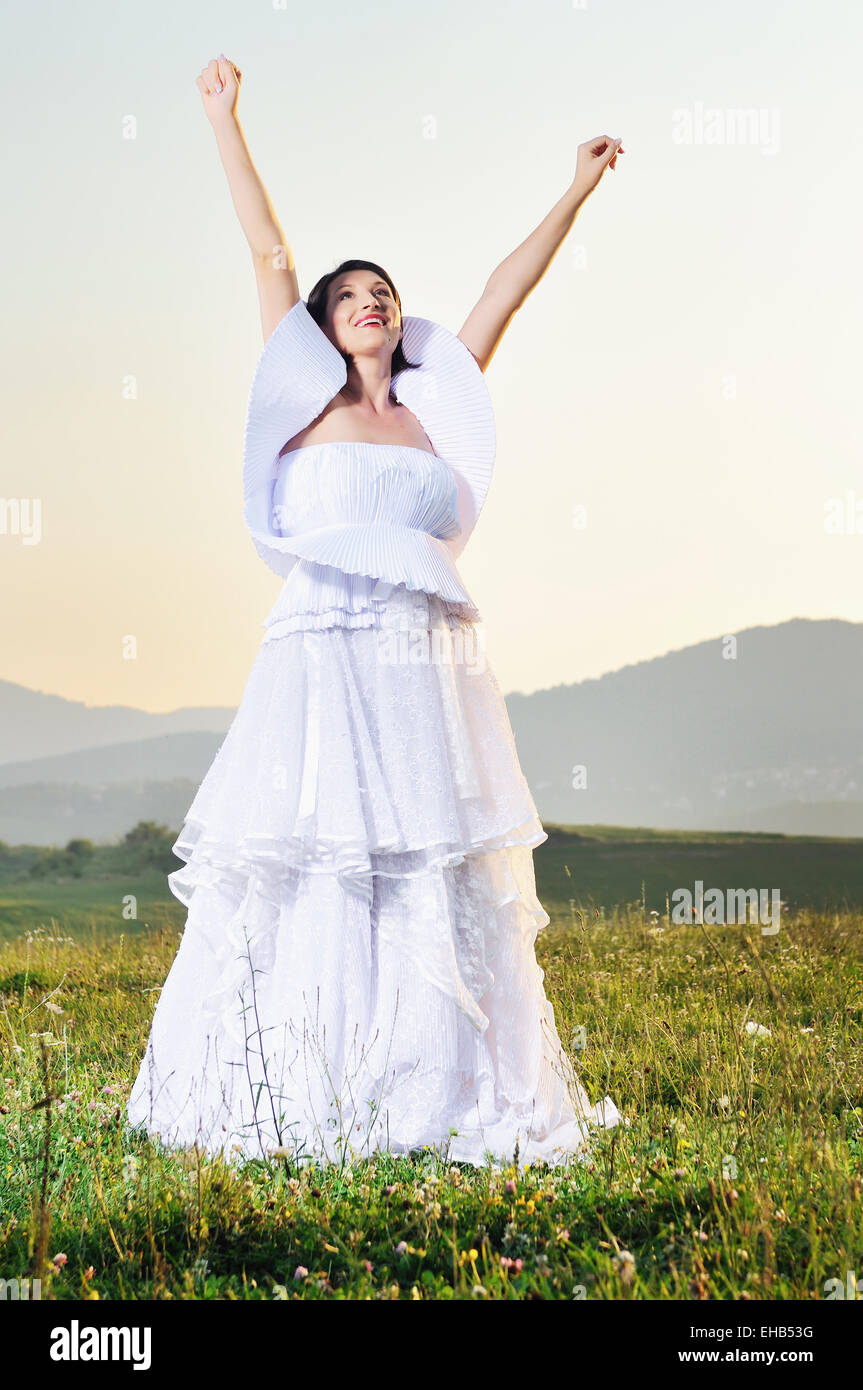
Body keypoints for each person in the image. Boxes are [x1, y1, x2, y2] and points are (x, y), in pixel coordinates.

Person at [127, 54, 626, 1170]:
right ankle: (297, 1072)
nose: (371, 301)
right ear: (320, 324)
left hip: (424, 664)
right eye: (350, 295)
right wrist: (224, 119)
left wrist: (575, 188)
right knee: (323, 850)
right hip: (324, 655)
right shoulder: (300, 410)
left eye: (384, 293)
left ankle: (433, 1076)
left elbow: (500, 293)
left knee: (424, 851)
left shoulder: (427, 415)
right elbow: (270, 253)